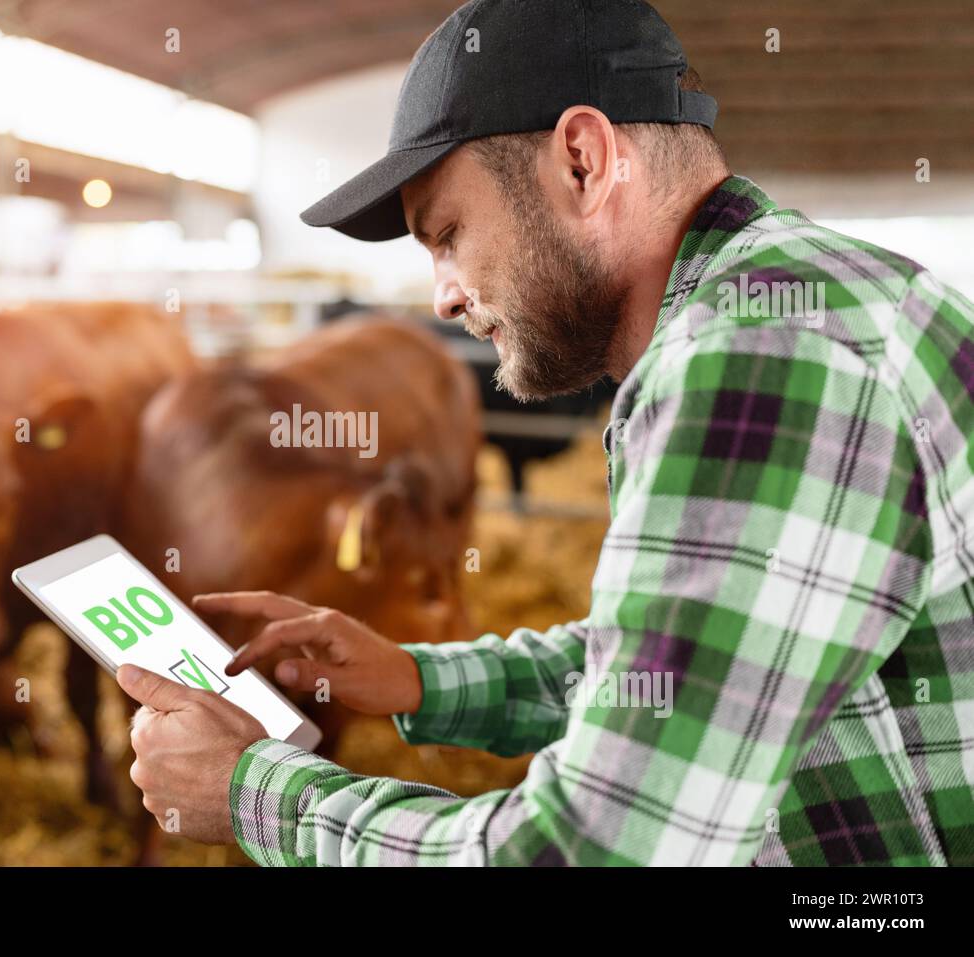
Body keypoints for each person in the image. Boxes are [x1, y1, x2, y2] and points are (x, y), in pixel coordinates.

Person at [119, 0, 974, 866]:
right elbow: (684, 664)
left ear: (582, 160)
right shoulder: (786, 306)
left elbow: (594, 847)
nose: (444, 297)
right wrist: (416, 677)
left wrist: (255, 790)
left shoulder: (759, 360)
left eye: (447, 235)